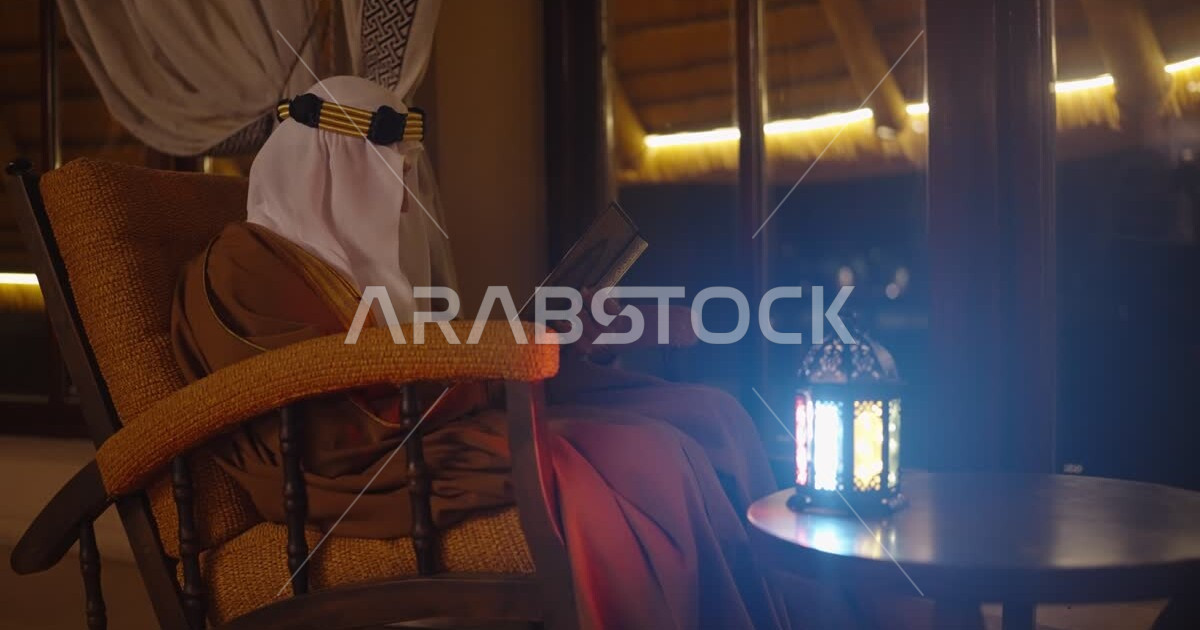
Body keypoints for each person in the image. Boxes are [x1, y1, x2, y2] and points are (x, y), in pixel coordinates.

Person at [169, 22, 787, 629]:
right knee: (655, 457)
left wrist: (558, 335)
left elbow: (411, 360)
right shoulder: (242, 263)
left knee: (709, 414)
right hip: (368, 468)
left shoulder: (337, 261)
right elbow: (337, 413)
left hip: (428, 422)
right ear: (328, 169)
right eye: (390, 177)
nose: (404, 203)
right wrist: (513, 353)